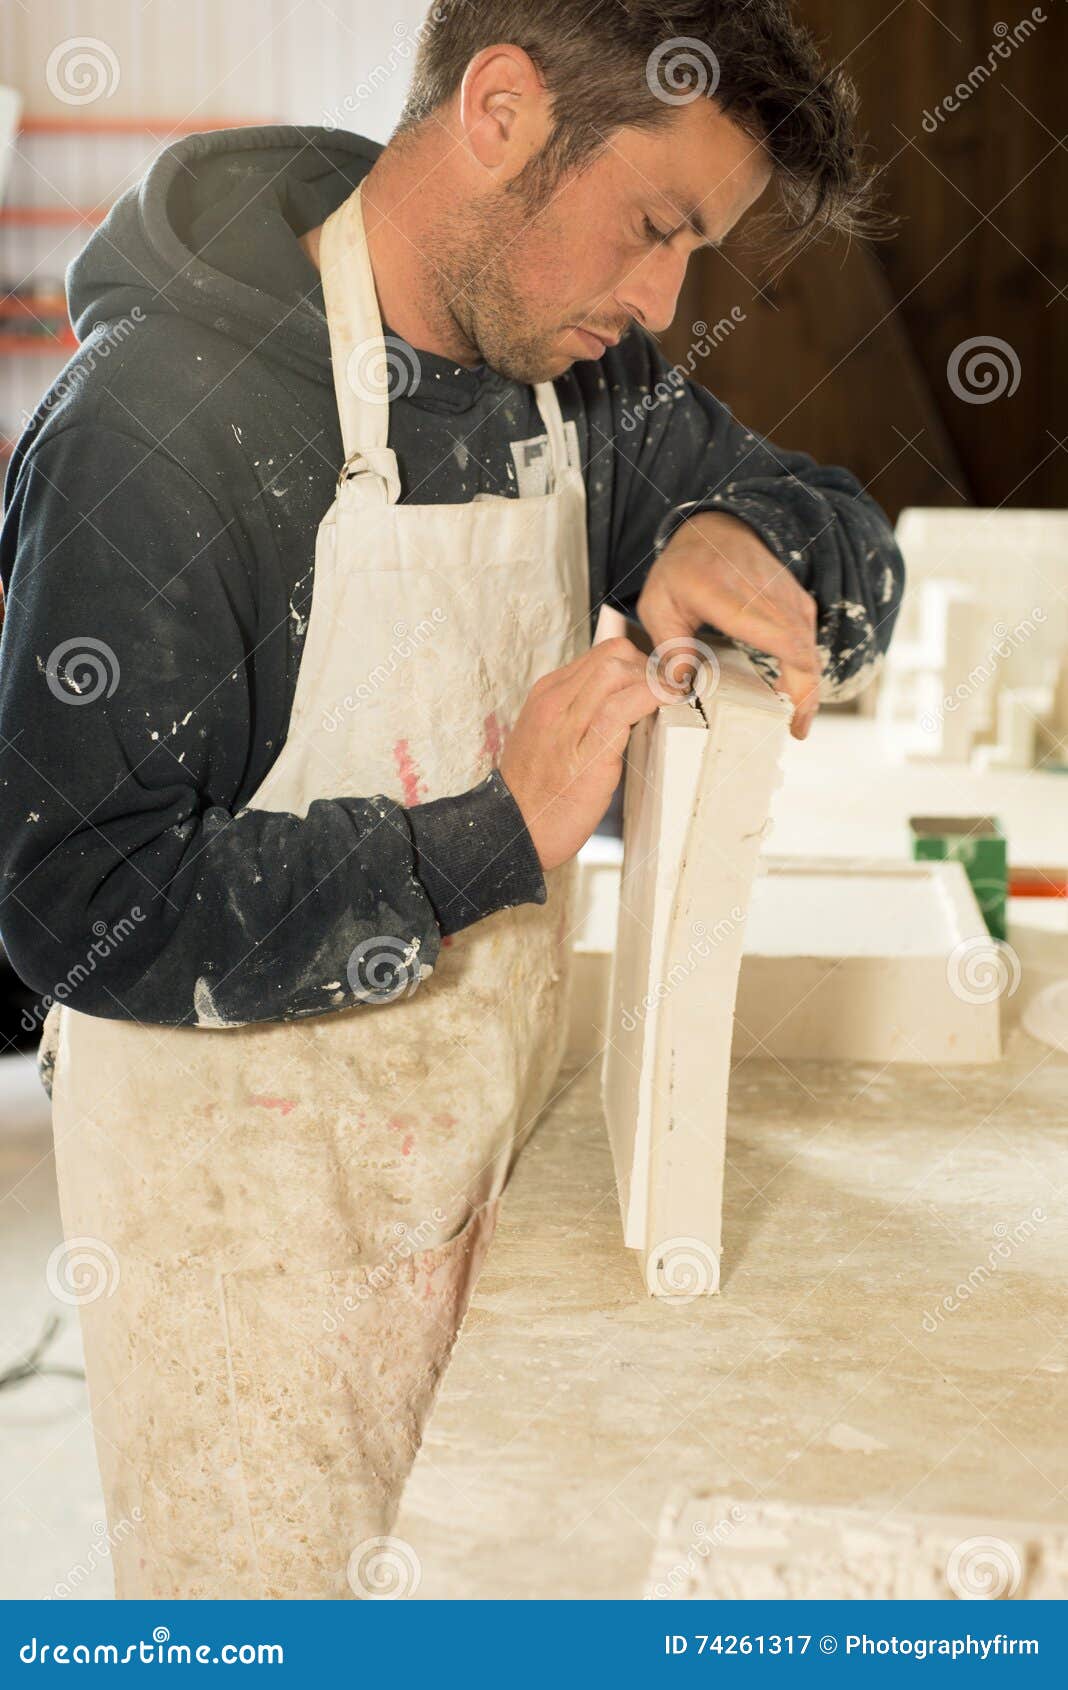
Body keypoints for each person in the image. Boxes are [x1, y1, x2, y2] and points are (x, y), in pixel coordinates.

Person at [0, 0, 903, 1598]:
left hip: (491, 1192)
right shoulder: (159, 424)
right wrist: (483, 838)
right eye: (652, 227)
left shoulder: (579, 396)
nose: (658, 303)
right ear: (499, 110)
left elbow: (848, 530)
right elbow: (73, 907)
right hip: (247, 1274)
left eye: (693, 250)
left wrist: (744, 541)